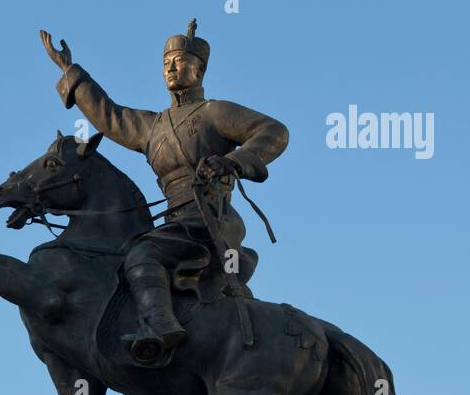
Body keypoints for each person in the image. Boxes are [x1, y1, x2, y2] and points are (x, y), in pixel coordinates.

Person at [41, 20, 289, 366]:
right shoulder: (153, 126)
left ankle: (161, 327)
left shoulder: (214, 112)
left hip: (209, 220)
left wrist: (233, 161)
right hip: (174, 223)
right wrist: (70, 72)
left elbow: (273, 131)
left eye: (180, 61)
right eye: (166, 63)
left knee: (142, 254)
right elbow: (110, 116)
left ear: (199, 69)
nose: (171, 68)